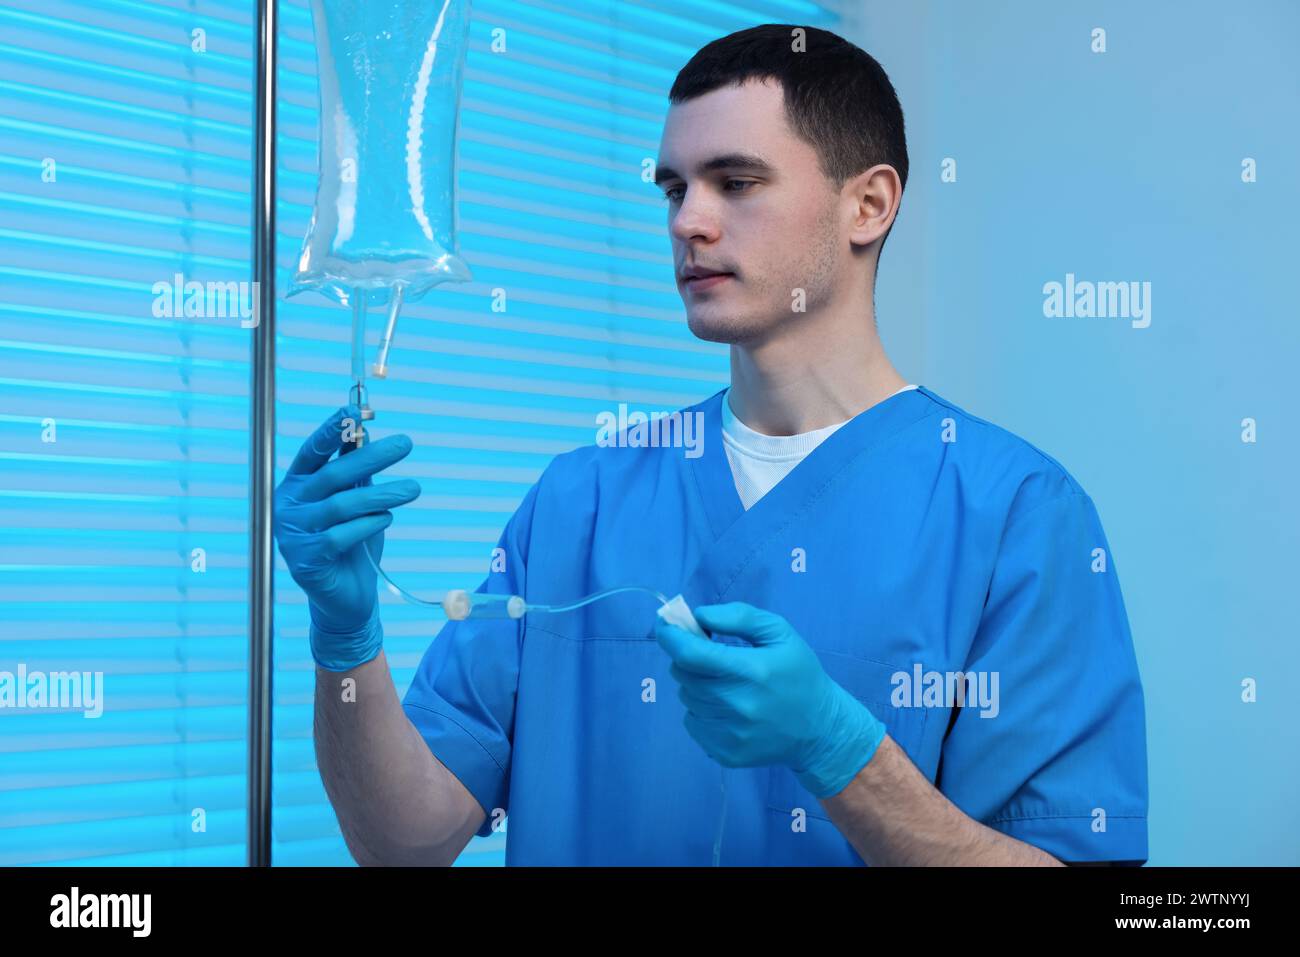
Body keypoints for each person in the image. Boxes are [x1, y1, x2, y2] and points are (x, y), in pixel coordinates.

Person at [273, 24, 1147, 866]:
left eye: (735, 182)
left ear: (868, 204)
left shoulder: (1014, 515)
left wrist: (841, 752)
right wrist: (346, 635)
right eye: (673, 187)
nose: (688, 221)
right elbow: (403, 842)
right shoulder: (583, 498)